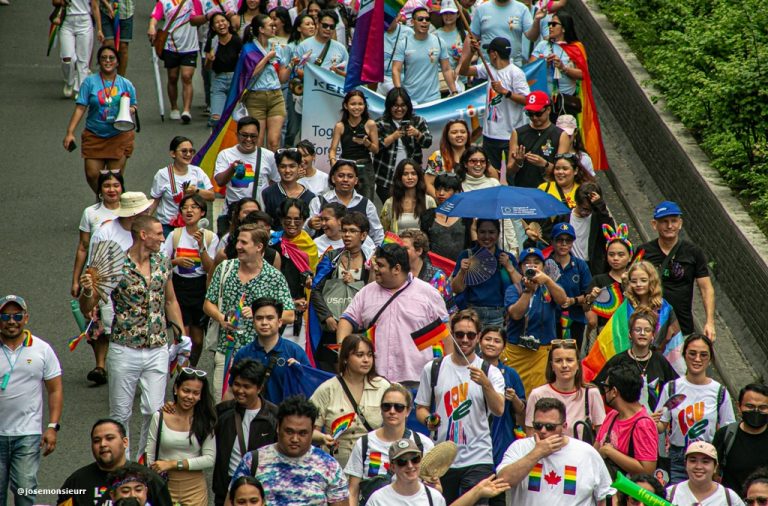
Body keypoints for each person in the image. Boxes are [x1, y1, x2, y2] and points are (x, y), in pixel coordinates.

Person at [80, 215, 184, 459]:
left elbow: (170, 299)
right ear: (143, 235)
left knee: (154, 411)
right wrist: (88, 289)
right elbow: (89, 305)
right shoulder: (116, 265)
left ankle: (145, 460)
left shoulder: (162, 261)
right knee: (120, 412)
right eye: (159, 233)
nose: (162, 237)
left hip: (157, 346)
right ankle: (121, 463)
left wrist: (181, 335)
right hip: (124, 348)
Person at [415, 309, 505, 505]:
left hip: (478, 456)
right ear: (452, 335)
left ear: (478, 337)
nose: (465, 339)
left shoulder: (491, 372)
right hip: (441, 457)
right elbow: (421, 407)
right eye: (459, 334)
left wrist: (486, 384)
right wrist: (428, 420)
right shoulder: (434, 368)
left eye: (471, 335)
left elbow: (499, 410)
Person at [204, 226, 296, 400]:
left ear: (259, 247)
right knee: (222, 404)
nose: (238, 246)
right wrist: (221, 318)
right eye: (238, 241)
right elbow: (208, 303)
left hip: (259, 353)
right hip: (227, 350)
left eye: (243, 242)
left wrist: (258, 314)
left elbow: (290, 314)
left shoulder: (274, 277)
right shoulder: (225, 268)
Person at [338, 243, 450, 385]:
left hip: (418, 380)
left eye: (380, 265)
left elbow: (446, 334)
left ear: (397, 268)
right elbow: (347, 319)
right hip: (375, 379)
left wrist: (447, 370)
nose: (375, 268)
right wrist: (342, 347)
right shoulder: (366, 293)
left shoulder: (428, 293)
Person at [0, 295, 62, 506]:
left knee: (25, 490)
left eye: (17, 316)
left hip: (27, 434)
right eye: (6, 316)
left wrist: (52, 427)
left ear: (26, 318)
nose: (11, 321)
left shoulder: (42, 349)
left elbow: (55, 390)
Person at [231, 395, 350, 505]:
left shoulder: (329, 466)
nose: (294, 439)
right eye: (289, 431)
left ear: (312, 430)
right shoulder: (252, 461)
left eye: (302, 433)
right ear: (278, 427)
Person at [496, 397, 614, 505]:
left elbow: (607, 496)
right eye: (538, 425)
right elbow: (503, 481)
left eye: (550, 427)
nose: (543, 430)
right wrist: (537, 453)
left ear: (564, 426)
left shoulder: (587, 452)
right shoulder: (519, 447)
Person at [652, 334, 736, 484]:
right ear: (684, 355)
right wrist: (651, 420)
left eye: (703, 355)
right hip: (678, 457)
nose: (697, 359)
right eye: (692, 353)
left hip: (707, 457)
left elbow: (728, 431)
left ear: (710, 359)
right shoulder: (672, 388)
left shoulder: (719, 392)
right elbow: (661, 426)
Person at [70, 172, 123, 384]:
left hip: (122, 274)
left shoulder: (129, 212)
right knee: (97, 321)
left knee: (119, 321)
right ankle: (100, 366)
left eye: (116, 185)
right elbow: (83, 247)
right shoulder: (90, 213)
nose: (111, 189)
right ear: (99, 190)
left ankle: (120, 365)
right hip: (97, 275)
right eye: (107, 185)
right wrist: (76, 279)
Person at [62, 45, 137, 193]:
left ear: (117, 62)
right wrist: (70, 132)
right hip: (95, 134)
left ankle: (110, 205)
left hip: (118, 136)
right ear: (99, 62)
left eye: (111, 58)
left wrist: (130, 110)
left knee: (113, 178)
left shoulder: (125, 84)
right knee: (92, 175)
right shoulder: (90, 82)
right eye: (103, 58)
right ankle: (103, 200)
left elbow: (134, 105)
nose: (107, 61)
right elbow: (80, 107)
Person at [638, 200, 716, 339]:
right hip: (649, 326)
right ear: (654, 224)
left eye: (674, 221)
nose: (669, 226)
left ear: (680, 223)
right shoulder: (644, 252)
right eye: (664, 221)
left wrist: (710, 322)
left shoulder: (693, 252)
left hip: (682, 326)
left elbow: (706, 288)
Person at [345, 384, 435, 504]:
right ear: (381, 409)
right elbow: (353, 491)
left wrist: (434, 486)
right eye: (386, 406)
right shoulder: (364, 443)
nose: (392, 411)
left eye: (399, 407)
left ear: (408, 411)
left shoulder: (423, 444)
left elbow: (436, 489)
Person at [310, 335, 389, 467]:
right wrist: (323, 438)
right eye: (360, 355)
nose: (366, 360)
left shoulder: (383, 387)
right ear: (345, 358)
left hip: (372, 464)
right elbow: (308, 429)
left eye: (369, 355)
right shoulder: (327, 389)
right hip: (336, 465)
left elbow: (396, 423)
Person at [310, 212, 374, 371]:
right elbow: (316, 290)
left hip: (360, 329)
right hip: (331, 328)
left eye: (352, 231)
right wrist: (327, 317)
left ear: (364, 235)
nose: (347, 235)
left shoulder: (371, 262)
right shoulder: (331, 257)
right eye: (344, 230)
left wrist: (356, 284)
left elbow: (375, 293)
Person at [57, 419, 172, 506]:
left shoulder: (150, 479)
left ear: (125, 442)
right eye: (97, 441)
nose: (103, 444)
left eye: (110, 438)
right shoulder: (76, 482)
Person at [458, 36, 530, 173]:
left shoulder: (516, 73)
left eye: (489, 52)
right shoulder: (488, 68)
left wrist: (505, 92)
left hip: (511, 135)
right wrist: (471, 53)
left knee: (512, 174)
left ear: (494, 54)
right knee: (490, 173)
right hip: (490, 134)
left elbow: (527, 100)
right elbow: (464, 71)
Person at [162, 194, 219, 365]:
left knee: (197, 340)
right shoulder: (174, 235)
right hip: (179, 287)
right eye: (185, 207)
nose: (189, 210)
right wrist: (176, 261)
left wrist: (201, 247)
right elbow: (161, 263)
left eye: (194, 207)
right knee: (182, 337)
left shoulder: (210, 237)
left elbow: (210, 269)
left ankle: (191, 367)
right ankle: (182, 372)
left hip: (200, 288)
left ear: (202, 212)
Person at [502, 247, 568, 394]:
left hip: (542, 352)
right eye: (527, 263)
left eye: (536, 263)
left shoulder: (549, 288)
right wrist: (528, 291)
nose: (532, 266)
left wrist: (548, 281)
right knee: (515, 395)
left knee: (541, 396)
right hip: (517, 352)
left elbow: (563, 300)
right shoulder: (514, 289)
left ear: (543, 267)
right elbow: (516, 315)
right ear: (520, 268)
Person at [212, 359, 277, 506]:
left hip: (260, 493)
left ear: (259, 388)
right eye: (236, 385)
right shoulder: (223, 412)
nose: (240, 391)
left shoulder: (274, 417)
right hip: (226, 492)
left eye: (246, 387)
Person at [146, 368, 216, 506]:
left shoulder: (205, 420)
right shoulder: (159, 417)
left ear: (201, 395)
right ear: (176, 389)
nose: (190, 397)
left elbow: (209, 459)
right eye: (186, 390)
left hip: (194, 489)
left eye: (196, 393)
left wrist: (173, 464)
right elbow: (150, 454)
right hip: (163, 486)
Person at [593, 309, 679, 414]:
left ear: (653, 335)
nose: (642, 333)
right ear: (630, 334)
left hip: (656, 425)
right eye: (638, 329)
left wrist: (664, 415)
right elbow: (597, 389)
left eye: (647, 330)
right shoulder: (618, 361)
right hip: (625, 424)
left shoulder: (660, 361)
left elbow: (676, 389)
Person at [229, 297, 309, 404]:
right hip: (250, 417)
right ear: (253, 322)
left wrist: (300, 372)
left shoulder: (295, 352)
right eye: (259, 318)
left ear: (280, 322)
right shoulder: (243, 353)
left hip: (284, 417)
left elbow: (309, 386)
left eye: (270, 318)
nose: (264, 322)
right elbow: (231, 391)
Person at [525, 338, 604, 437]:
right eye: (558, 361)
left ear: (578, 364)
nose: (564, 365)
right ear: (552, 366)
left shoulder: (591, 393)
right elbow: (530, 435)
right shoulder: (537, 394)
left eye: (569, 360)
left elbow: (601, 435)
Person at [450, 219, 521, 328]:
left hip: (499, 315)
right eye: (482, 232)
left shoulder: (507, 258)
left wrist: (509, 267)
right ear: (477, 233)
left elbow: (521, 287)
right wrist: (462, 272)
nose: (487, 236)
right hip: (471, 314)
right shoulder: (467, 255)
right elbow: (456, 289)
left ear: (498, 234)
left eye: (491, 232)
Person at [595, 364, 658, 477]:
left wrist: (610, 452)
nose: (604, 391)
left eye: (605, 387)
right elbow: (595, 450)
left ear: (614, 391)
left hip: (627, 492)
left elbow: (648, 470)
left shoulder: (643, 424)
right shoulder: (612, 415)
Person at [148, 0, 205, 124]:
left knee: (187, 77)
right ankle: (174, 107)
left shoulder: (194, 1)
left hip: (190, 46)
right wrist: (152, 26)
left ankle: (186, 111)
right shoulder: (164, 2)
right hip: (171, 45)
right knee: (172, 77)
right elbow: (155, 16)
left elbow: (200, 16)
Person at [373, 88, 433, 204]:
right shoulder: (380, 123)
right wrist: (392, 137)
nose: (399, 109)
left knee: (412, 210)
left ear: (408, 105)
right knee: (391, 212)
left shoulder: (418, 121)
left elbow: (427, 143)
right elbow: (374, 148)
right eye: (395, 105)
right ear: (389, 106)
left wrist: (417, 134)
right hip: (386, 179)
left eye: (403, 105)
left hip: (413, 178)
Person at [213, 116, 279, 218]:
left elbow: (275, 182)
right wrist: (232, 169)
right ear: (237, 134)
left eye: (253, 136)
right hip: (232, 214)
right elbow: (220, 181)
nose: (248, 139)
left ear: (258, 136)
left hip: (258, 215)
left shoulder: (269, 156)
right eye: (244, 135)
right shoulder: (225, 154)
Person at [242, 15, 291, 151]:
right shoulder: (249, 49)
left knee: (274, 142)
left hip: (276, 95)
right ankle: (258, 171)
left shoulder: (277, 48)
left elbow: (282, 78)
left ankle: (274, 171)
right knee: (257, 142)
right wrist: (267, 58)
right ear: (261, 29)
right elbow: (250, 74)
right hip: (256, 98)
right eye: (270, 25)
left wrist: (292, 64)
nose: (274, 27)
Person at [479, 327, 527, 467]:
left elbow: (521, 410)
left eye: (497, 341)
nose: (491, 344)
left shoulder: (511, 374)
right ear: (479, 341)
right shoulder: (471, 369)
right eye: (487, 339)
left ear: (504, 346)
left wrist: (514, 399)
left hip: (503, 432)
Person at [307, 160, 385, 246]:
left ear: (356, 180)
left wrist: (376, 255)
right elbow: (306, 233)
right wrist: (310, 225)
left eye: (350, 176)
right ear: (333, 178)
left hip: (359, 256)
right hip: (324, 255)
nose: (345, 179)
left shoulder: (366, 204)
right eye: (341, 176)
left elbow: (377, 235)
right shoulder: (319, 202)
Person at [150, 136, 215, 237]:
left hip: (192, 226)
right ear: (173, 153)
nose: (188, 154)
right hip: (168, 226)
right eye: (184, 151)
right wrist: (145, 221)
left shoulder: (197, 172)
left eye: (191, 151)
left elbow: (211, 196)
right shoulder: (162, 174)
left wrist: (196, 191)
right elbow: (155, 200)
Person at [275, 198, 319, 347]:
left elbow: (312, 278)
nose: (292, 224)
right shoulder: (273, 242)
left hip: (299, 311)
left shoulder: (309, 246)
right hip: (272, 306)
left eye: (297, 219)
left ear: (304, 220)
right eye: (288, 219)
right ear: (281, 219)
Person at [392, 6, 457, 104]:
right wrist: (399, 93)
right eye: (420, 19)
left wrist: (454, 91)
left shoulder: (439, 41)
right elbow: (396, 70)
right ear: (413, 22)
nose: (424, 21)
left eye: (427, 19)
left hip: (433, 97)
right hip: (410, 98)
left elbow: (446, 69)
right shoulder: (403, 43)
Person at [506, 90, 569, 188]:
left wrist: (544, 164)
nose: (534, 117)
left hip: (549, 190)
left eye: (538, 113)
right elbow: (509, 170)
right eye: (530, 114)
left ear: (548, 110)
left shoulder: (561, 135)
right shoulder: (517, 133)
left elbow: (562, 172)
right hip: (523, 188)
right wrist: (518, 162)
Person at [712, 383, 768, 493]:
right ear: (739, 407)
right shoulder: (725, 435)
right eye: (750, 406)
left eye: (762, 407)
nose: (756, 411)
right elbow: (712, 472)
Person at [530, 11, 584, 119]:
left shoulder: (576, 48)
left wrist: (563, 67)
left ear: (564, 28)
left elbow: (582, 74)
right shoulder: (543, 45)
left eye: (554, 24)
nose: (550, 27)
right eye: (549, 24)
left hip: (565, 101)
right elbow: (531, 70)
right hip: (543, 100)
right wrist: (544, 64)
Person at [329, 91, 380, 201]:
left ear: (365, 106)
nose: (357, 107)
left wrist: (367, 143)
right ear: (346, 106)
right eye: (353, 104)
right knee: (342, 201)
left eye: (360, 104)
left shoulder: (370, 124)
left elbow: (376, 150)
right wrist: (334, 163)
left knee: (366, 201)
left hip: (364, 166)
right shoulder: (340, 126)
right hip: (346, 165)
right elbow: (332, 150)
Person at [548, 222, 592, 347]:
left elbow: (588, 295)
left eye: (568, 240)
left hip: (575, 319)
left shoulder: (580, 265)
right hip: (551, 320)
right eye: (559, 240)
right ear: (552, 241)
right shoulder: (546, 265)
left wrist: (573, 300)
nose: (564, 244)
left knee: (573, 355)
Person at [366, 438, 447, 506]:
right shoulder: (377, 500)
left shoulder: (435, 498)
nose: (410, 466)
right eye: (402, 462)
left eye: (415, 459)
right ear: (392, 467)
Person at [584, 222, 632, 332]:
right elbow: (586, 308)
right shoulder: (598, 280)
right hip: (605, 332)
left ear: (630, 257)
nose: (615, 258)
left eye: (621, 255)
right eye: (611, 254)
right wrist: (591, 298)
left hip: (631, 332)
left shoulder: (635, 281)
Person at [666, 441, 745, 505]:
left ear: (715, 467)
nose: (699, 466)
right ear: (685, 464)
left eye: (705, 462)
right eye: (693, 461)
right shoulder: (670, 494)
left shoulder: (730, 498)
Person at [538, 152, 595, 237]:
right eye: (557, 168)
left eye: (565, 169)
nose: (560, 172)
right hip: (550, 239)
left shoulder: (583, 190)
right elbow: (534, 214)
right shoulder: (544, 189)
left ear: (575, 171)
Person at [469, 0, 543, 66]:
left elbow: (532, 37)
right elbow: (471, 38)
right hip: (486, 68)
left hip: (513, 68)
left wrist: (537, 20)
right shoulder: (481, 9)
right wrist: (461, 64)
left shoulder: (522, 9)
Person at [400, 229, 455, 312]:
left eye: (405, 248)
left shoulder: (438, 277)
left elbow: (450, 310)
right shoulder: (396, 273)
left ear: (419, 251)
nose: (400, 252)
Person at [420, 173, 471, 262]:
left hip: (461, 269)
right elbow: (423, 246)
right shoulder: (427, 216)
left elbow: (472, 246)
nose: (441, 193)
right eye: (438, 189)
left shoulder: (467, 217)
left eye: (447, 189)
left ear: (457, 192)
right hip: (434, 270)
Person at [205, 13, 244, 126]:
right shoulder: (212, 41)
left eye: (223, 21)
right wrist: (210, 59)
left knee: (234, 119)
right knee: (216, 119)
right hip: (218, 79)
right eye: (217, 22)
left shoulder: (236, 41)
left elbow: (242, 62)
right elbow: (207, 68)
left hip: (234, 79)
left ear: (228, 23)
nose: (221, 24)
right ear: (213, 27)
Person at [57, 0, 102, 98]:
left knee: (83, 59)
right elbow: (55, 2)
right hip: (67, 22)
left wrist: (99, 29)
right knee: (67, 58)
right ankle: (69, 81)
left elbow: (95, 7)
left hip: (84, 21)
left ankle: (80, 89)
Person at [262, 149, 315, 230]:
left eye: (292, 166)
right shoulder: (267, 194)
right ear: (277, 167)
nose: (287, 171)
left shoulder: (310, 196)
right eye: (283, 166)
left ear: (300, 166)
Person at [569, 182, 614, 275]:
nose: (586, 212)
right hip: (570, 265)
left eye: (590, 209)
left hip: (592, 268)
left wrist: (600, 206)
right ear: (576, 201)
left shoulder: (597, 217)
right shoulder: (565, 217)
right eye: (584, 208)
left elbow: (611, 234)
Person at [380, 160, 436, 234]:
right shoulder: (390, 203)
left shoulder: (429, 201)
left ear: (418, 176)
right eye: (405, 174)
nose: (410, 177)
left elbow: (435, 229)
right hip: (397, 245)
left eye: (413, 173)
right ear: (399, 177)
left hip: (422, 245)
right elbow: (383, 231)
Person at [294, 9, 348, 77]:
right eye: (325, 25)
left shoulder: (341, 48)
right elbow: (296, 70)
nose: (328, 29)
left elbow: (348, 75)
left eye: (332, 27)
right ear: (318, 24)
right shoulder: (303, 46)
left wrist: (337, 71)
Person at [425, 120, 470, 197]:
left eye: (463, 132)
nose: (459, 135)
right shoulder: (437, 156)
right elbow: (428, 183)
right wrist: (440, 200)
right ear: (447, 136)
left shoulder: (475, 155)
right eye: (454, 132)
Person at [378, 13, 413, 96]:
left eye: (389, 19)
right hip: (383, 80)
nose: (386, 22)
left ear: (397, 17)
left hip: (405, 79)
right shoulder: (376, 33)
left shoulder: (408, 32)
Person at [99, 0, 134, 75]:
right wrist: (107, 4)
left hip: (126, 11)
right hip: (106, 10)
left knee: (123, 47)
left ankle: (120, 80)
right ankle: (106, 79)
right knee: (108, 45)